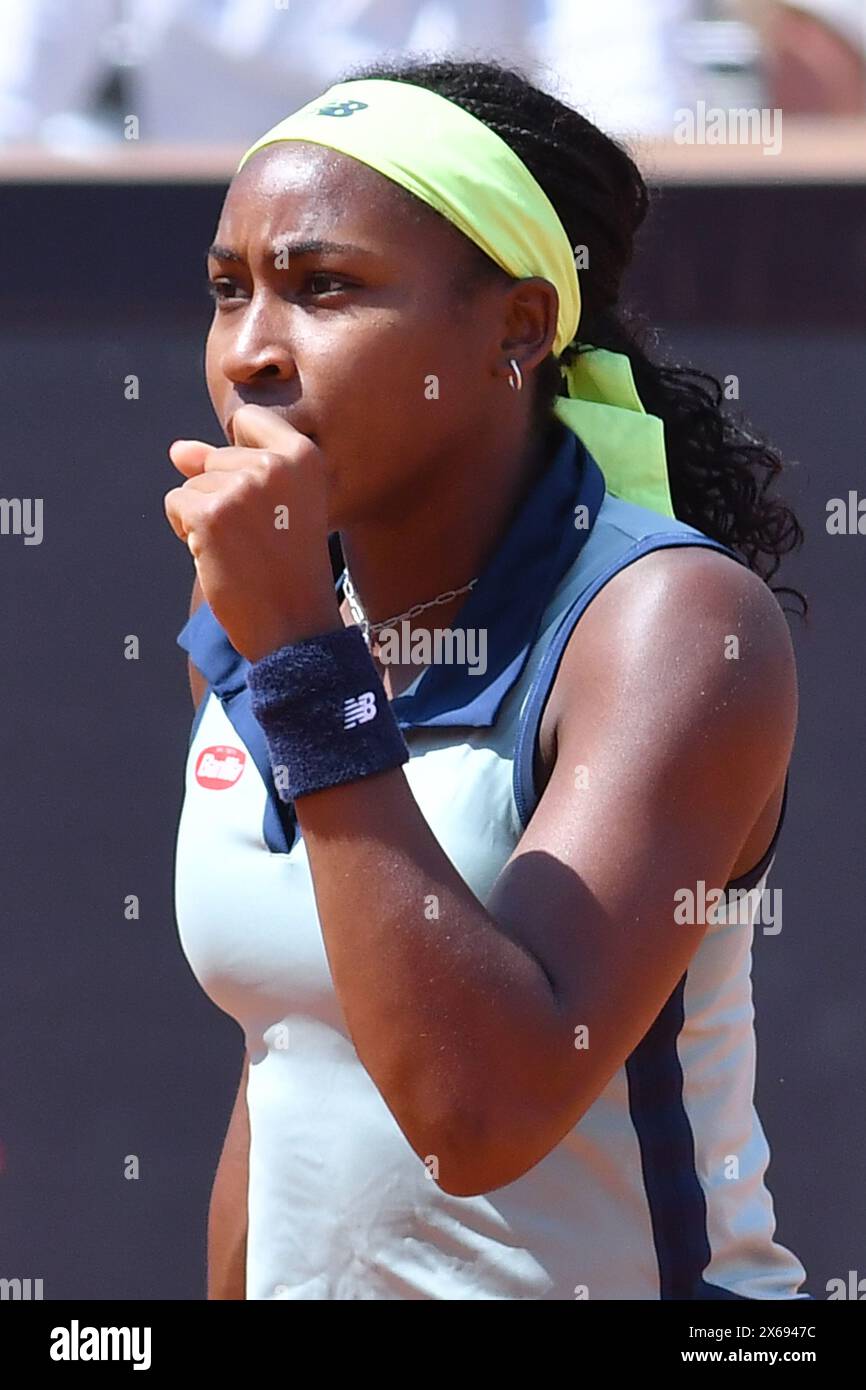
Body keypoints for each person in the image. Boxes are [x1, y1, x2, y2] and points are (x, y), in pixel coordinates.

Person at [165, 56, 811, 1301]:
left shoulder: (669, 624)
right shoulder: (256, 599)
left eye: (323, 288)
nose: (251, 350)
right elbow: (286, 1070)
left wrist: (304, 654)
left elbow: (480, 1112)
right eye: (227, 290)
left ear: (517, 327)